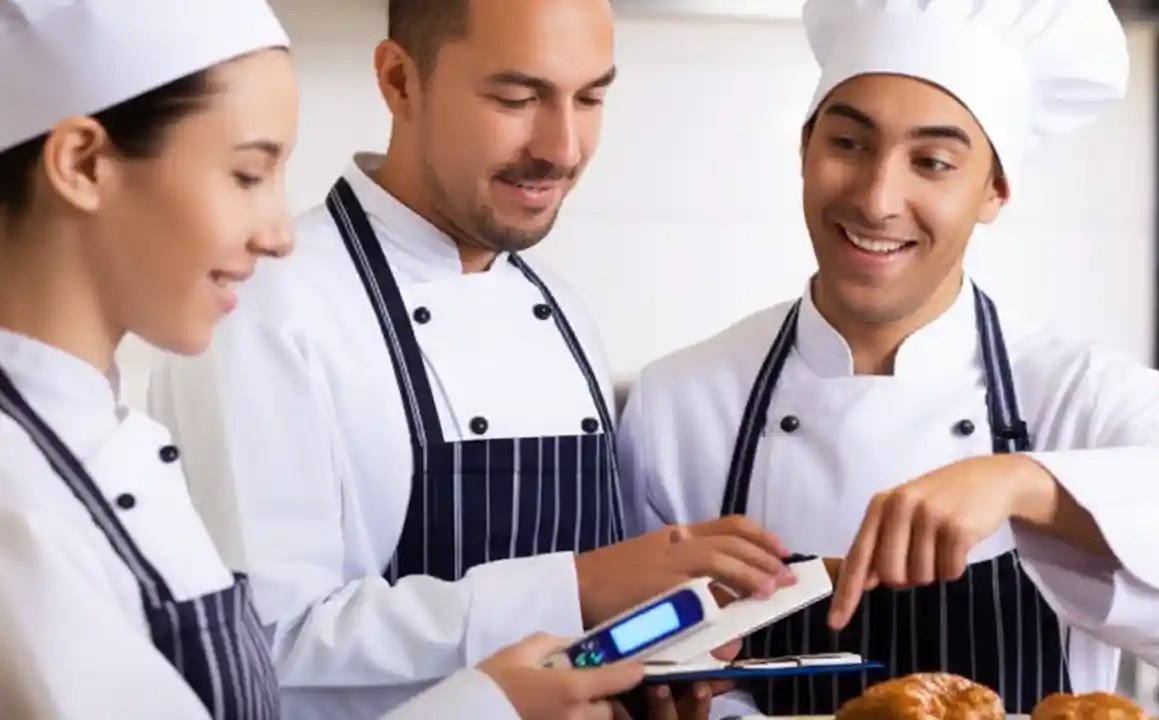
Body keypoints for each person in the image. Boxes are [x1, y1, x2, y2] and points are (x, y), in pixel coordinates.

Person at [0, 0, 668, 718]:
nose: (279, 234)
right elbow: (279, 649)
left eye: (591, 97)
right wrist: (509, 684)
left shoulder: (108, 445)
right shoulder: (25, 485)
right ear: (82, 163)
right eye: (248, 174)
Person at [617, 0, 1159, 717]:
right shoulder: (679, 403)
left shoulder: (1074, 393)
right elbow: (628, 655)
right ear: (805, 149)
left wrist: (1024, 483)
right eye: (848, 143)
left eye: (931, 162)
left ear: (994, 190)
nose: (877, 199)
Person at [146, 0, 791, 717]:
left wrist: (648, 668)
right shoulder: (264, 307)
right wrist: (577, 587)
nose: (563, 148)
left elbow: (584, 641)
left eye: (590, 98)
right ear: (400, 81)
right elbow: (265, 648)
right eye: (516, 98)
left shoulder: (561, 307)